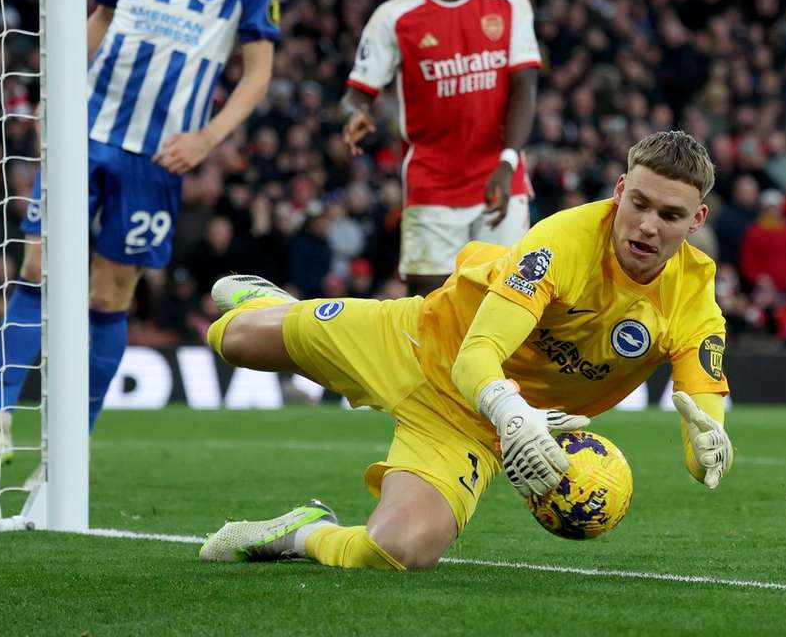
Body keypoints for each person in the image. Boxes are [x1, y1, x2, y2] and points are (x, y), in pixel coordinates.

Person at [198, 131, 734, 570]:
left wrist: (707, 444)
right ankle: (274, 305)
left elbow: (701, 416)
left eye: (669, 215)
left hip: (471, 424)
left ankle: (300, 533)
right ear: (619, 190)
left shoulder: (693, 304)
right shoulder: (562, 243)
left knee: (396, 551)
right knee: (230, 338)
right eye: (638, 203)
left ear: (696, 221)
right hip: (419, 340)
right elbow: (477, 353)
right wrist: (512, 412)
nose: (646, 225)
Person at [0, 0, 279, 481]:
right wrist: (56, 92)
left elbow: (257, 75)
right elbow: (98, 21)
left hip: (157, 158)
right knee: (40, 266)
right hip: (88, 132)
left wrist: (208, 138)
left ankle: (67, 454)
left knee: (109, 293)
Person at [339, 0, 540, 298]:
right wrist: (353, 116)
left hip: (499, 178)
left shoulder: (508, 1)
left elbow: (525, 89)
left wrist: (507, 160)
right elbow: (356, 93)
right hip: (432, 184)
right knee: (429, 306)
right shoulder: (394, 18)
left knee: (504, 301)